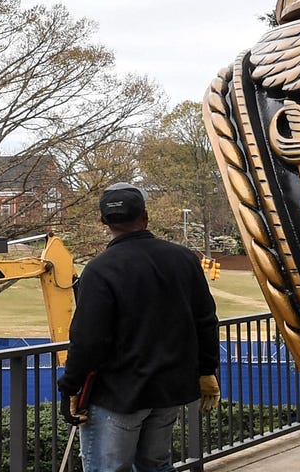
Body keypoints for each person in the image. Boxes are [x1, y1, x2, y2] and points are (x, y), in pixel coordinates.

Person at [58, 183, 220, 472]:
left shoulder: (100, 269)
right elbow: (205, 320)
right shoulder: (183, 259)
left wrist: (70, 386)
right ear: (145, 217)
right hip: (168, 390)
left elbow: (88, 339)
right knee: (156, 466)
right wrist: (207, 370)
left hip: (118, 395)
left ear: (104, 222)